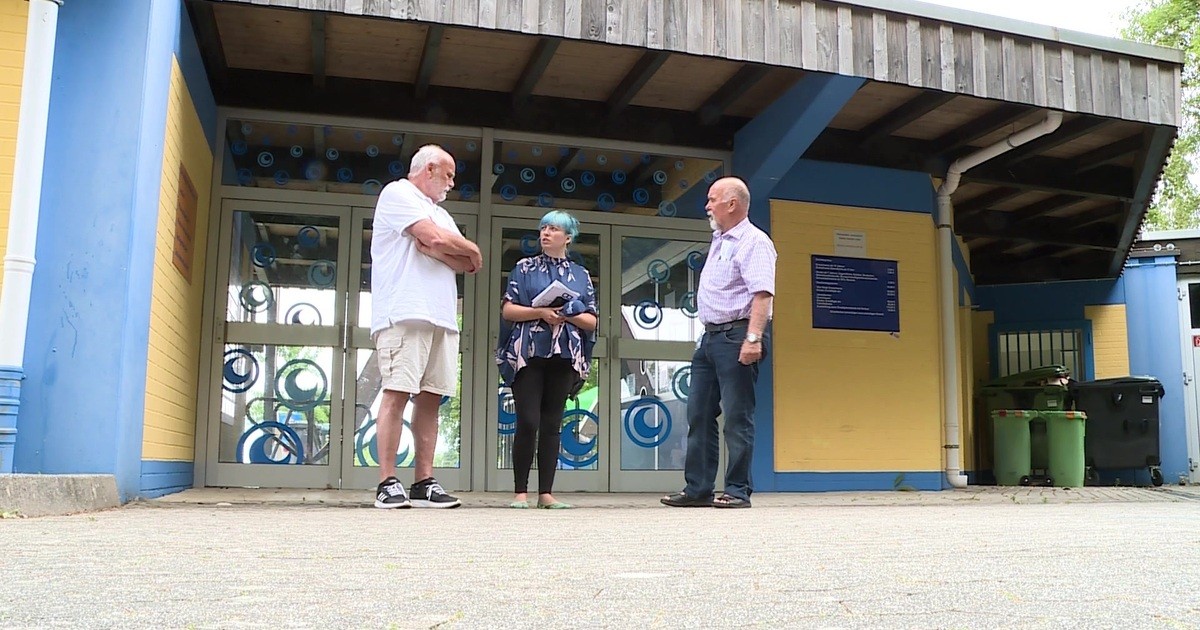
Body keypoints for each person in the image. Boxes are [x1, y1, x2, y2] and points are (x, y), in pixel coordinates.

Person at [371, 144, 482, 509]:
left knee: (432, 397)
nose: (452, 183)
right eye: (448, 175)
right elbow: (437, 241)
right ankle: (387, 481)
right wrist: (469, 247)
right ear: (430, 169)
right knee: (397, 391)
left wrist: (455, 249)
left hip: (442, 317)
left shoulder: (442, 215)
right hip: (405, 312)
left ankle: (424, 481)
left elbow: (464, 263)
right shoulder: (398, 192)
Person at [661, 177, 776, 509]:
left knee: (738, 416)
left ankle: (738, 490)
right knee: (698, 413)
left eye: (712, 199)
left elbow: (762, 295)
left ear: (733, 204)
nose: (707, 206)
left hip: (738, 335)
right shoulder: (720, 240)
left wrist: (753, 338)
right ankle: (698, 489)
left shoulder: (754, 242)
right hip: (710, 337)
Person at [497, 210, 598, 509]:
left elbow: (592, 321)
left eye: (553, 229)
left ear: (567, 238)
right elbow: (508, 310)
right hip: (528, 353)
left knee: (552, 423)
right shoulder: (524, 268)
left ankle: (546, 494)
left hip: (565, 353)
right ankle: (520, 493)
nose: (545, 233)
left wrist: (568, 313)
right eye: (543, 228)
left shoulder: (581, 275)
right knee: (528, 421)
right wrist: (540, 313)